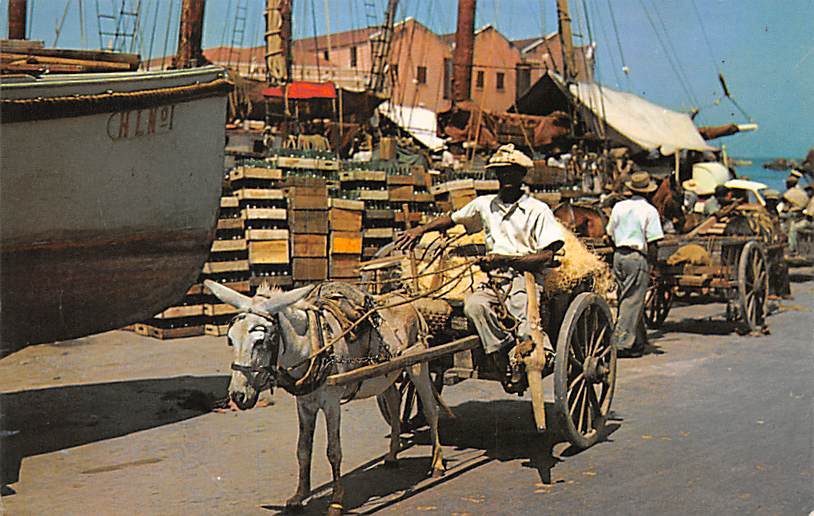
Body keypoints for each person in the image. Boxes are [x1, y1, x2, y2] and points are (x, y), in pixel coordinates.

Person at [394, 144, 565, 389]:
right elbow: (452, 218)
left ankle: (542, 355)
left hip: (525, 277)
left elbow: (547, 255)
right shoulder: (485, 205)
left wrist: (506, 260)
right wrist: (419, 230)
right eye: (500, 172)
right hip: (493, 279)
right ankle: (504, 354)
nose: (505, 177)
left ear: (521, 175)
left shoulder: (538, 210)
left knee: (526, 325)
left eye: (511, 171)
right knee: (474, 306)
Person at [606, 171, 664, 358]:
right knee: (632, 300)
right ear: (648, 191)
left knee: (627, 297)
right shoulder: (649, 211)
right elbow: (653, 242)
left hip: (618, 256)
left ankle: (638, 340)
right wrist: (654, 266)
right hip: (636, 257)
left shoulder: (619, 207)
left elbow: (610, 233)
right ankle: (621, 343)